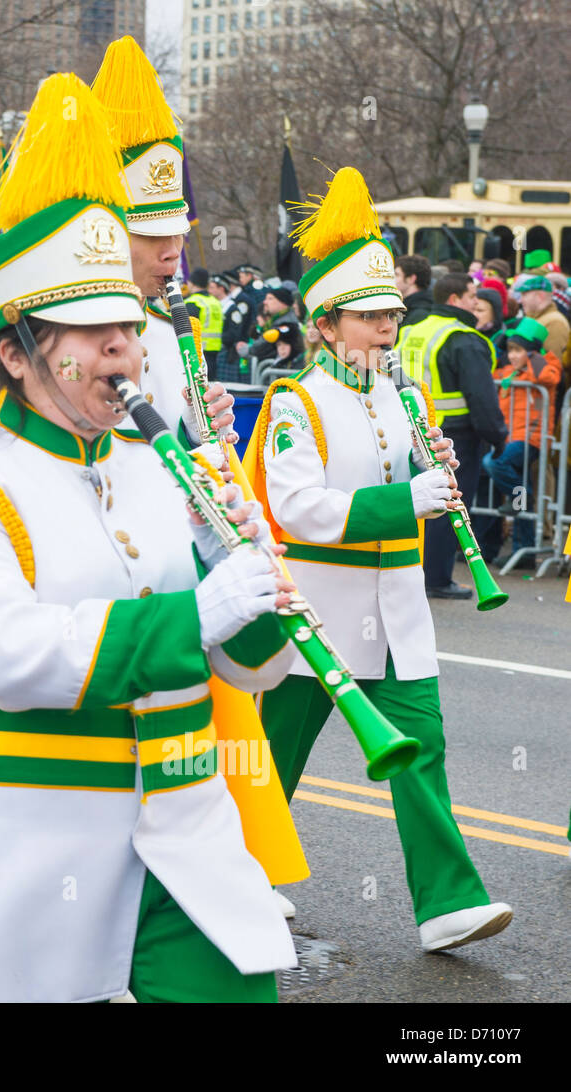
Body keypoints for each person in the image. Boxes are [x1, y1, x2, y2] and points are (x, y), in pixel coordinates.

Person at [0, 73, 304, 1004]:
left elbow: (250, 671)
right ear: (15, 352)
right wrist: (198, 609)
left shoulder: (164, 463)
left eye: (127, 325)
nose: (123, 348)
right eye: (90, 330)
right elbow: (2, 654)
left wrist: (249, 587)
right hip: (34, 862)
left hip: (190, 845)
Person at [250, 166, 512, 953]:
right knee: (270, 764)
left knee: (422, 756)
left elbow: (412, 486)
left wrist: (436, 484)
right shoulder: (295, 402)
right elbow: (299, 511)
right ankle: (236, 879)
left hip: (398, 613)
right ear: (327, 324)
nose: (385, 331)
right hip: (319, 617)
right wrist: (410, 500)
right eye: (368, 319)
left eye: (391, 316)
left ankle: (446, 905)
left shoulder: (403, 398)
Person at [89, 36, 234, 449]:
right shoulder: (59, 336)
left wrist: (196, 434)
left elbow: (171, 442)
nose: (173, 250)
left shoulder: (175, 330)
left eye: (178, 233)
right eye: (152, 235)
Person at [396, 271, 507, 599]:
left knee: (419, 501)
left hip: (410, 428)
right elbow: (481, 397)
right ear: (455, 299)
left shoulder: (412, 329)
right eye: (473, 296)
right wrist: (498, 436)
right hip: (454, 437)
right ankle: (438, 578)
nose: (477, 302)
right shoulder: (463, 337)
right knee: (449, 507)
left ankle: (415, 570)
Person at [478, 317, 561, 566]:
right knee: (521, 489)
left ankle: (520, 497)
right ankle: (524, 552)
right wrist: (503, 348)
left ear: (533, 351)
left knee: (494, 463)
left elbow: (550, 377)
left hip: (532, 438)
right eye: (511, 350)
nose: (513, 356)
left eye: (519, 350)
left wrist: (533, 356)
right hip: (510, 437)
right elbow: (488, 374)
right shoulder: (506, 373)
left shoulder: (543, 365)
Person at [516, 274, 569, 362]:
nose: (520, 300)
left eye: (524, 295)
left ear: (540, 296)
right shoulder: (533, 318)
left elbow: (553, 364)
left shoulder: (555, 322)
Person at [183, 266, 223, 360]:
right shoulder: (215, 301)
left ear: (193, 283)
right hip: (217, 350)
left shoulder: (192, 302)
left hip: (198, 352)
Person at [394, 254, 433, 325]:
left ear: (411, 279)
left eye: (396, 275)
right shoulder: (411, 307)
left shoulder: (420, 313)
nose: (392, 279)